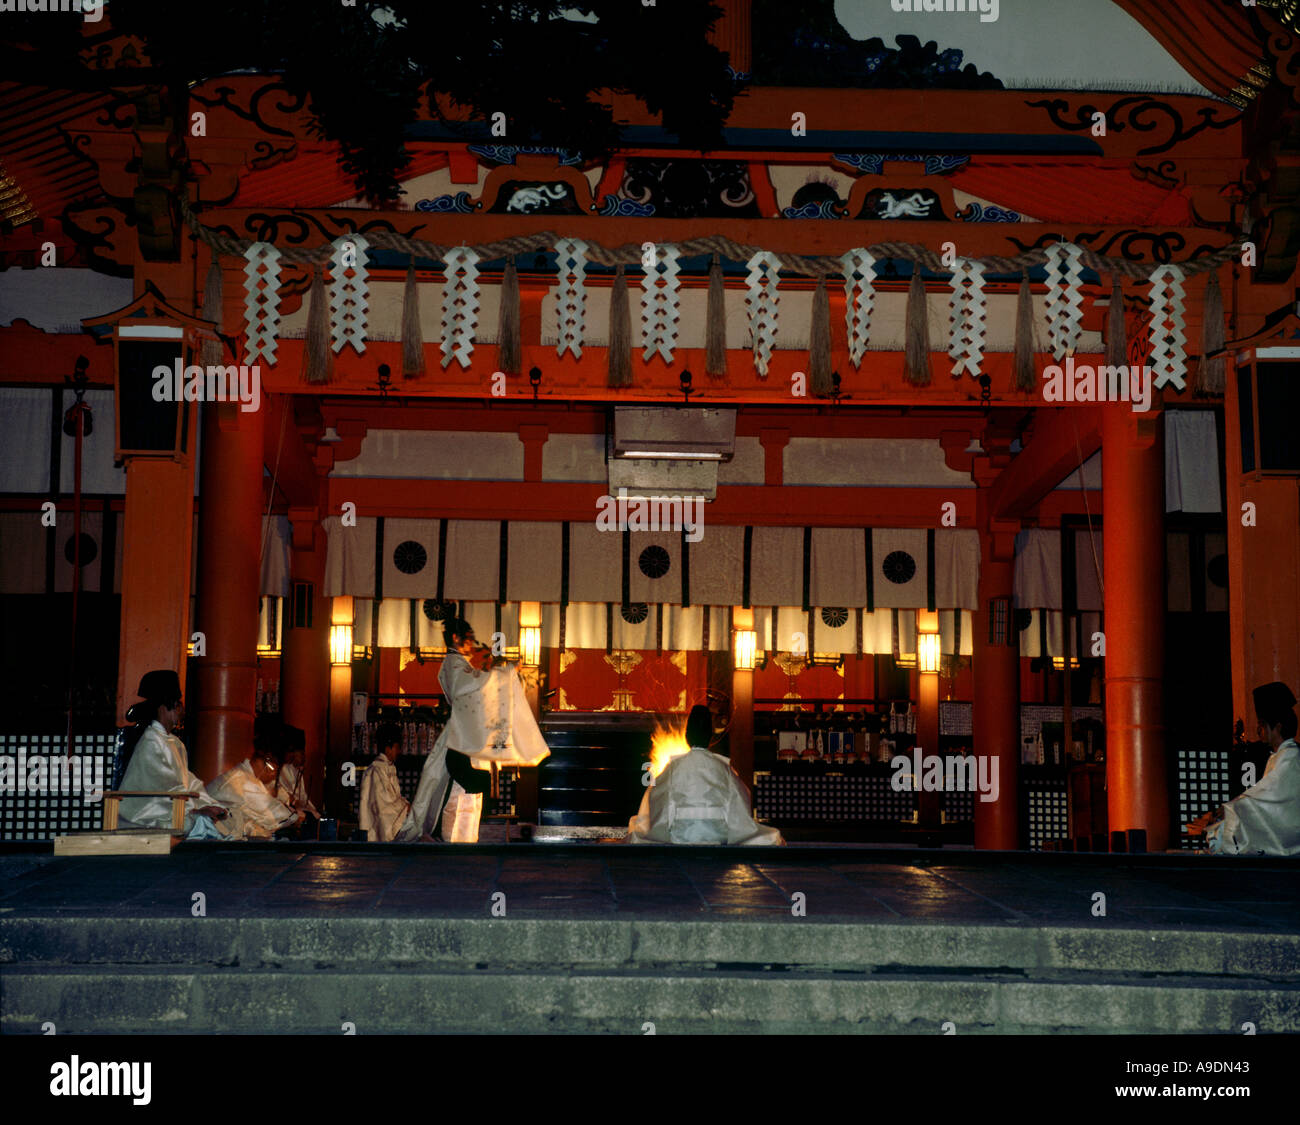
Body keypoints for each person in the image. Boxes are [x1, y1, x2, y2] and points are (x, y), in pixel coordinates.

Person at [401, 618, 549, 842]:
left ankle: (465, 839)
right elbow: (466, 687)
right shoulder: (453, 663)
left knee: (468, 795)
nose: (471, 644)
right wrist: (502, 674)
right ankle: (452, 839)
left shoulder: (461, 665)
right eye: (468, 639)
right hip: (461, 734)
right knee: (456, 794)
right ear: (455, 638)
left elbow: (476, 688)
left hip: (467, 732)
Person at [626, 704, 784, 845]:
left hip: (680, 835)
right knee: (770, 837)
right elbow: (740, 803)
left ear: (687, 735)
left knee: (638, 828)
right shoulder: (723, 767)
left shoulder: (673, 767)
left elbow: (656, 800)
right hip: (718, 835)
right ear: (710, 735)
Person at [115, 669, 230, 839]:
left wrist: (210, 803)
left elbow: (189, 781)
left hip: (176, 805)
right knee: (198, 823)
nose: (182, 712)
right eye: (178, 705)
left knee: (222, 820)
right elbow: (167, 785)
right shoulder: (151, 741)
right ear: (165, 708)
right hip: (146, 815)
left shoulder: (175, 742)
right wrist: (195, 810)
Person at [1190, 681, 1300, 856]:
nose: (1258, 730)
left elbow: (1263, 799)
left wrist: (1222, 813)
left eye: (1262, 724)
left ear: (1277, 727)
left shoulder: (1290, 757)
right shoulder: (1279, 755)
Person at [207, 749, 303, 840]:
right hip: (213, 836)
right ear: (269, 766)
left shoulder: (242, 775)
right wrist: (298, 816)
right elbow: (274, 813)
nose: (273, 776)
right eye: (275, 771)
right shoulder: (243, 781)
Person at [359, 723, 410, 842]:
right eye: (397, 747)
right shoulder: (376, 771)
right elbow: (383, 809)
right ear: (388, 748)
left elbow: (393, 799)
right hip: (376, 837)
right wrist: (405, 807)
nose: (399, 751)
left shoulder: (388, 768)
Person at [276, 725, 320, 824]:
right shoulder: (279, 768)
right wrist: (293, 801)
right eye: (301, 754)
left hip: (297, 810)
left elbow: (303, 796)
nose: (304, 757)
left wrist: (314, 810)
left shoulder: (296, 770)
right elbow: (280, 794)